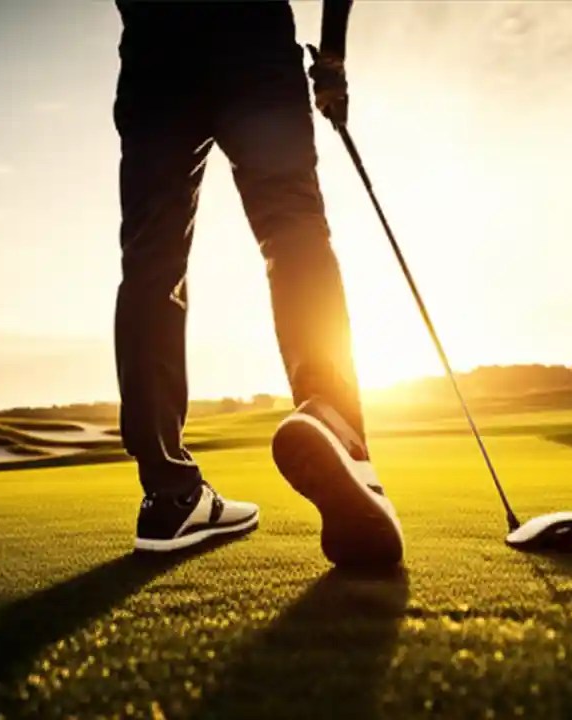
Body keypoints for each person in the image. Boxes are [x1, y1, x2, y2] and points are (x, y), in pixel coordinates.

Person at [113, 0, 402, 567]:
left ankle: (169, 494)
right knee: (291, 228)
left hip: (153, 49)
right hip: (250, 35)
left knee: (151, 261)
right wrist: (332, 61)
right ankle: (335, 425)